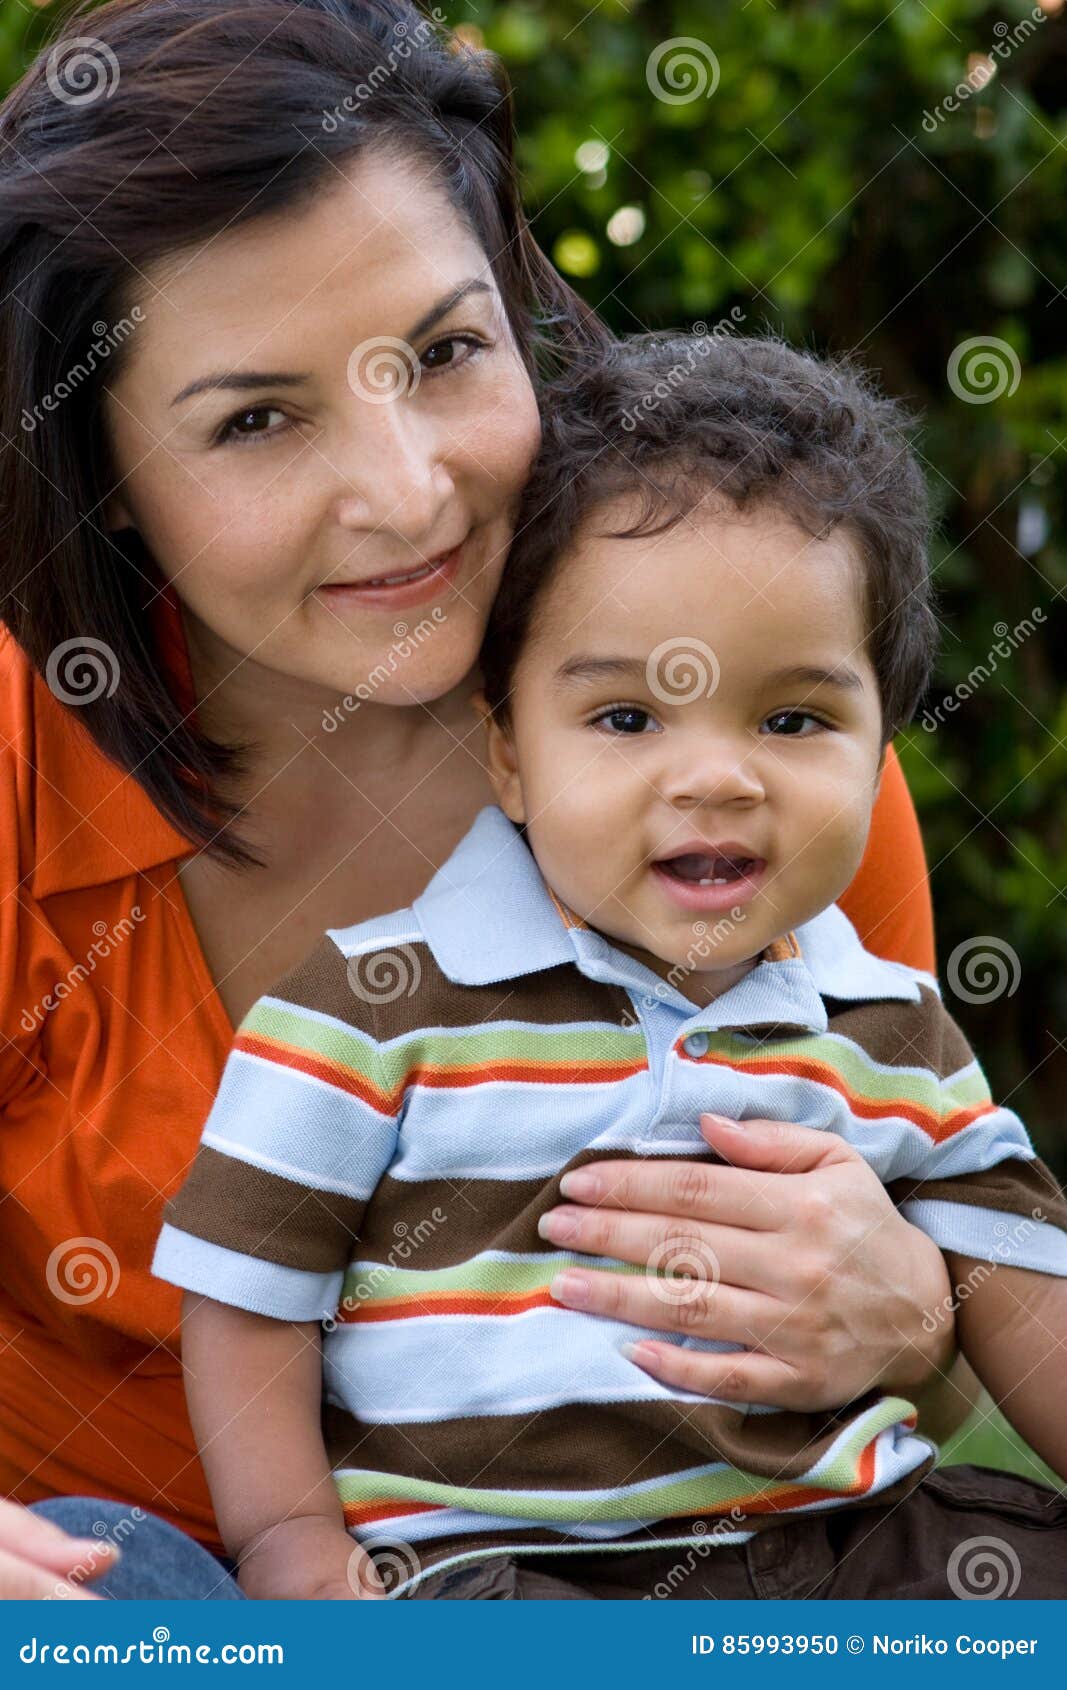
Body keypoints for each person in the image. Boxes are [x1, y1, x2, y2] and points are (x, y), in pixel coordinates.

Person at [0, 0, 964, 1599]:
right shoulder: (23, 760)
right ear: (99, 472)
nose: (406, 493)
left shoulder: (735, 756)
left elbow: (906, 1254)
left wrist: (914, 1311)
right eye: (256, 418)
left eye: (444, 353)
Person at [154, 333, 1067, 1601]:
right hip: (503, 1565)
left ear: (875, 757)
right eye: (625, 718)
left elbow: (1014, 1274)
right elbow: (250, 1292)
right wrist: (288, 1539)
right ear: (510, 756)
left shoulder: (889, 1021)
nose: (714, 778)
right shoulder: (369, 1005)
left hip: (842, 1550)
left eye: (792, 718)